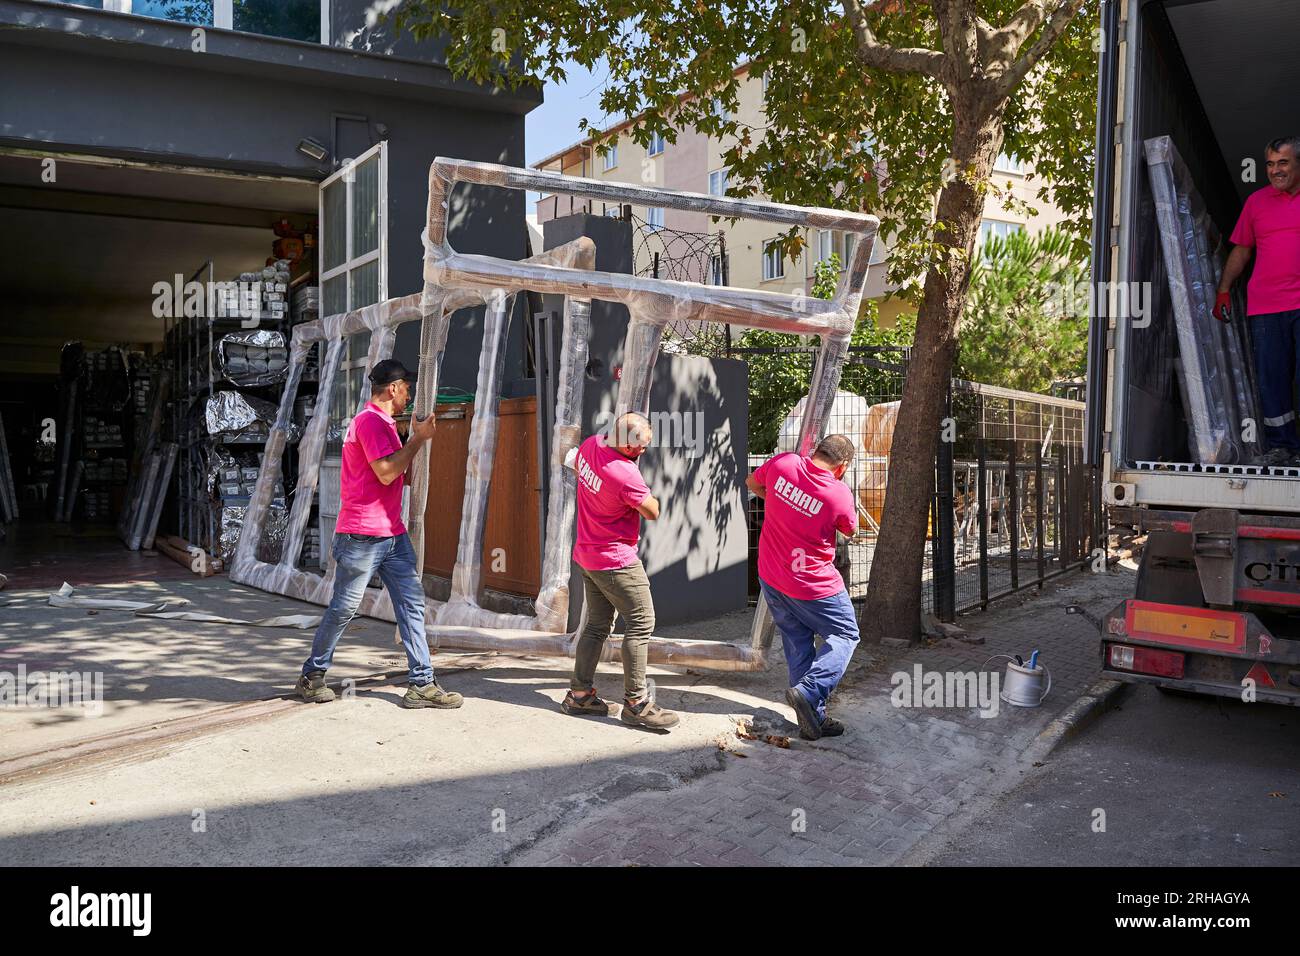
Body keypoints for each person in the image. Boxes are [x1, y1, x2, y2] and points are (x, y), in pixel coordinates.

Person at [296, 359, 462, 710]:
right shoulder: (370, 423)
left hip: (391, 533)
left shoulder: (385, 423)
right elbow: (387, 473)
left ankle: (421, 683)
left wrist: (414, 439)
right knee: (344, 608)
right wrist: (418, 439)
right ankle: (312, 676)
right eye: (407, 389)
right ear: (393, 388)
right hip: (362, 535)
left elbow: (399, 475)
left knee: (411, 605)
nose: (410, 395)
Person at [561, 412, 679, 729]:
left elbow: (580, 469)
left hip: (587, 554)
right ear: (625, 444)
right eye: (640, 447)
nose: (643, 452)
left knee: (597, 626)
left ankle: (580, 694)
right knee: (641, 623)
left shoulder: (590, 445)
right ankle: (637, 704)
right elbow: (652, 511)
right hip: (616, 560)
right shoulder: (625, 473)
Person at [747, 434, 859, 740]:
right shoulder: (838, 493)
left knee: (797, 641)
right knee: (846, 634)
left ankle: (812, 719)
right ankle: (809, 690)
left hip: (772, 576)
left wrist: (785, 505)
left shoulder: (783, 464)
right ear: (843, 466)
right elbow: (850, 529)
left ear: (816, 450)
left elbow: (752, 483)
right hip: (813, 584)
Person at [1216, 135, 1300, 465]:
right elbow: (1242, 249)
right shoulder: (1256, 203)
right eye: (1269, 164)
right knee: (1272, 380)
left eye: (1283, 163)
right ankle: (1284, 447)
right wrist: (1224, 288)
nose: (1275, 170)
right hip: (1266, 307)